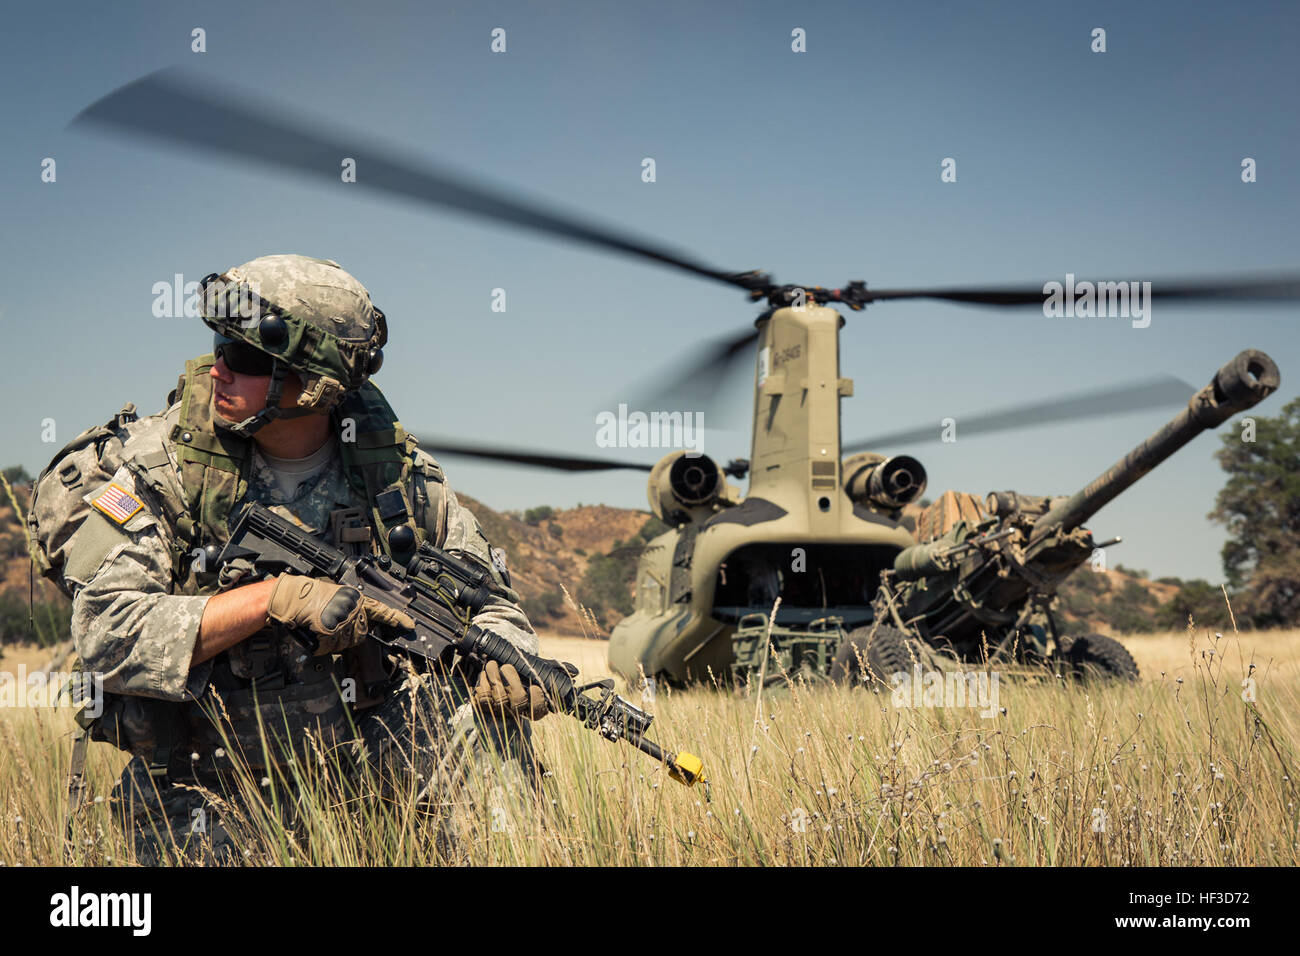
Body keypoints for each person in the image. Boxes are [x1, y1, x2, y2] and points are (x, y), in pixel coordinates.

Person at [61, 254, 548, 863]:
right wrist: (271, 600)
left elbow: (491, 599)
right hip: (208, 777)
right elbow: (103, 635)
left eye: (242, 357)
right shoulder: (163, 467)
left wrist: (505, 653)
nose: (218, 370)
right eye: (218, 346)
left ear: (313, 377)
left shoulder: (394, 474)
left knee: (489, 731)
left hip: (362, 764)